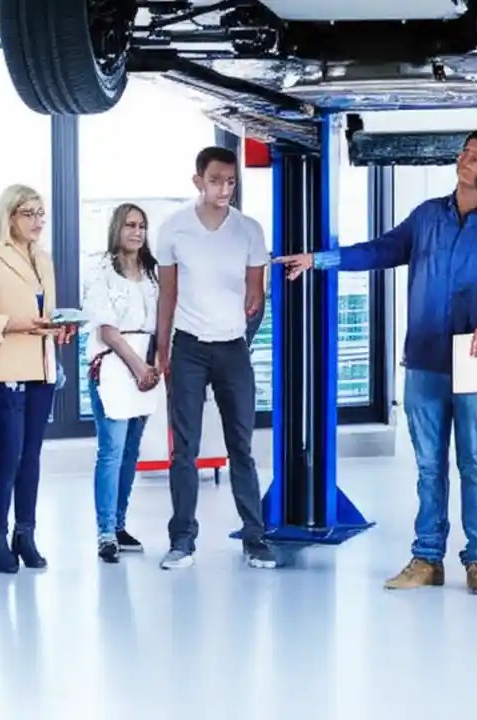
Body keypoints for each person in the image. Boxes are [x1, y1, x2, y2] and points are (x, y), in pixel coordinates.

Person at [276, 130, 477, 594]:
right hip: (424, 358)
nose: (466, 159)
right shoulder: (426, 217)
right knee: (429, 467)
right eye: (464, 151)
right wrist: (320, 260)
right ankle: (426, 558)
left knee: (474, 463)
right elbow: (380, 250)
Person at [154, 146, 277, 570]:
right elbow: (167, 294)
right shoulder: (173, 229)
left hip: (232, 349)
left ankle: (255, 538)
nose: (224, 189)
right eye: (215, 181)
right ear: (198, 181)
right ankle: (182, 540)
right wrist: (162, 349)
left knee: (241, 446)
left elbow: (256, 297)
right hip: (188, 347)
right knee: (184, 449)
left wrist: (243, 334)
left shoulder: (249, 230)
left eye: (231, 181)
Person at [0, 184, 70, 573]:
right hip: (6, 370)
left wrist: (58, 328)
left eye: (41, 214)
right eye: (29, 213)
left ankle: (25, 534)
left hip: (41, 369)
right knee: (9, 454)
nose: (37, 221)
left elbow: (46, 315)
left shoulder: (44, 260)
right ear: (9, 216)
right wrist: (18, 324)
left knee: (32, 456)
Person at [82, 203, 159, 563]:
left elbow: (162, 321)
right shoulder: (101, 271)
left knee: (131, 451)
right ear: (117, 228)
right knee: (111, 450)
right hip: (115, 365)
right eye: (130, 225)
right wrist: (138, 367)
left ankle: (120, 524)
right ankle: (105, 532)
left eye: (142, 226)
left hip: (147, 368)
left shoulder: (153, 273)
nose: (137, 231)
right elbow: (107, 330)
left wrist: (154, 366)